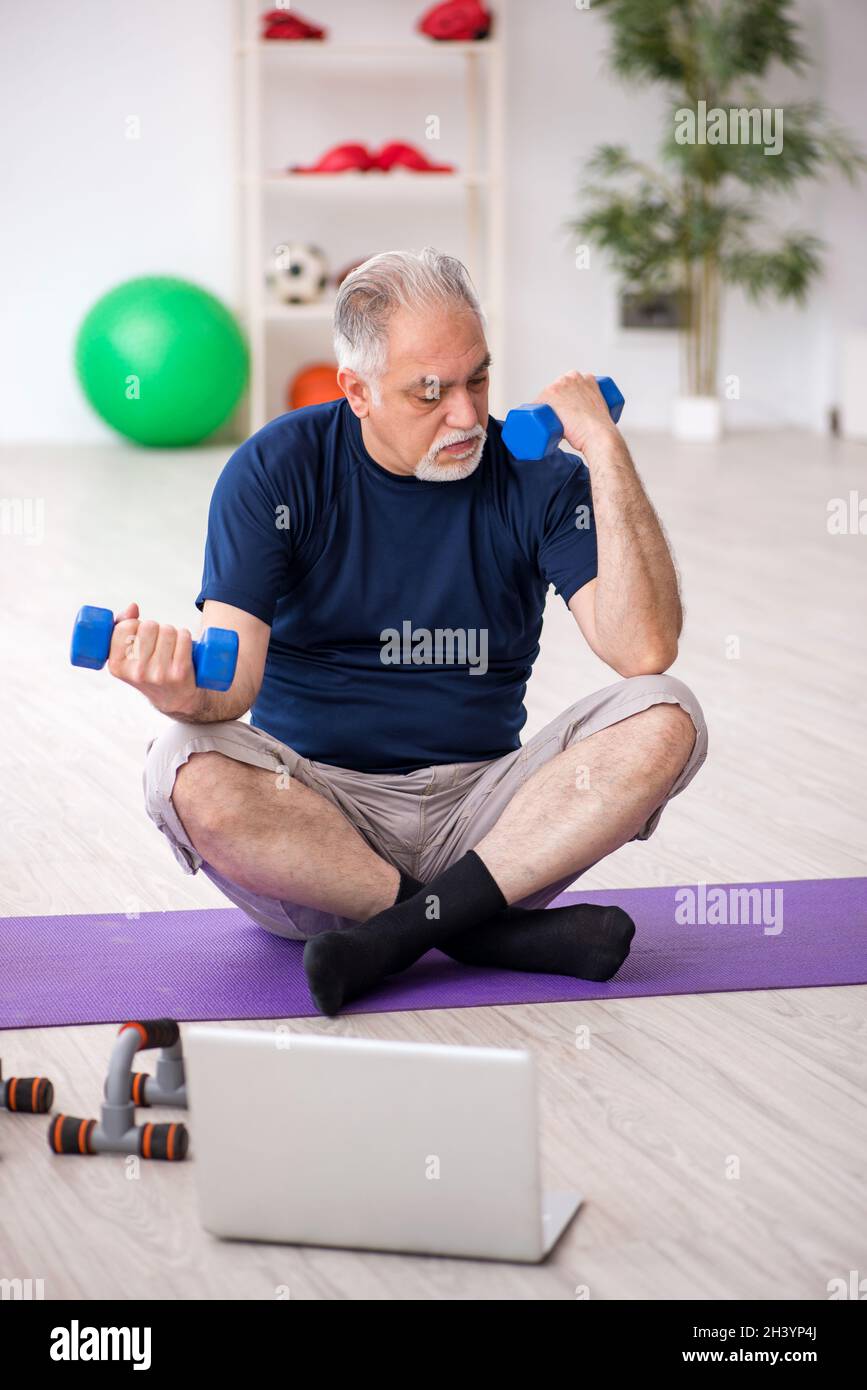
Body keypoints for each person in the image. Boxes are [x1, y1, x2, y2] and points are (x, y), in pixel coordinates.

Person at [118, 247, 707, 1014]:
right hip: (318, 817)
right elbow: (230, 683)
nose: (465, 416)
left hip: (488, 819)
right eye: (429, 392)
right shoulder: (276, 469)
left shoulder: (536, 475)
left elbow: (642, 649)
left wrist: (603, 449)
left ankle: (394, 935)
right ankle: (481, 934)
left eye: (477, 380)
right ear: (356, 391)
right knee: (183, 761)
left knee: (668, 714)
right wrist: (181, 693)